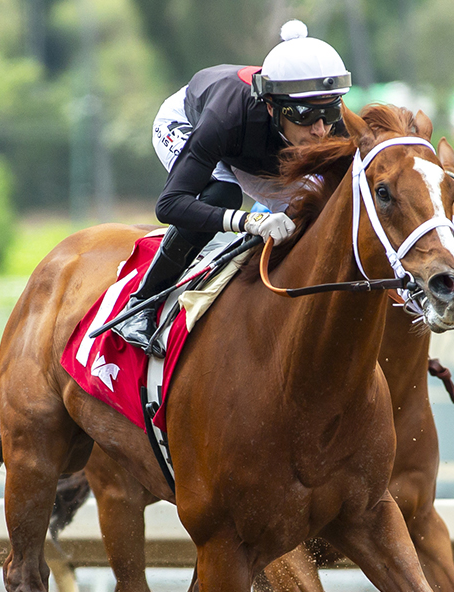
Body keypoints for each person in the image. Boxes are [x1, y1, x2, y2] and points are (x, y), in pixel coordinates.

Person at [113, 19, 352, 356]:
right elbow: (168, 205)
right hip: (189, 123)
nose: (320, 130)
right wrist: (249, 221)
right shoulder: (225, 117)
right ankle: (139, 304)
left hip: (256, 147)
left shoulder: (328, 123)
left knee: (319, 205)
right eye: (303, 115)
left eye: (329, 111)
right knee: (222, 193)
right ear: (272, 106)